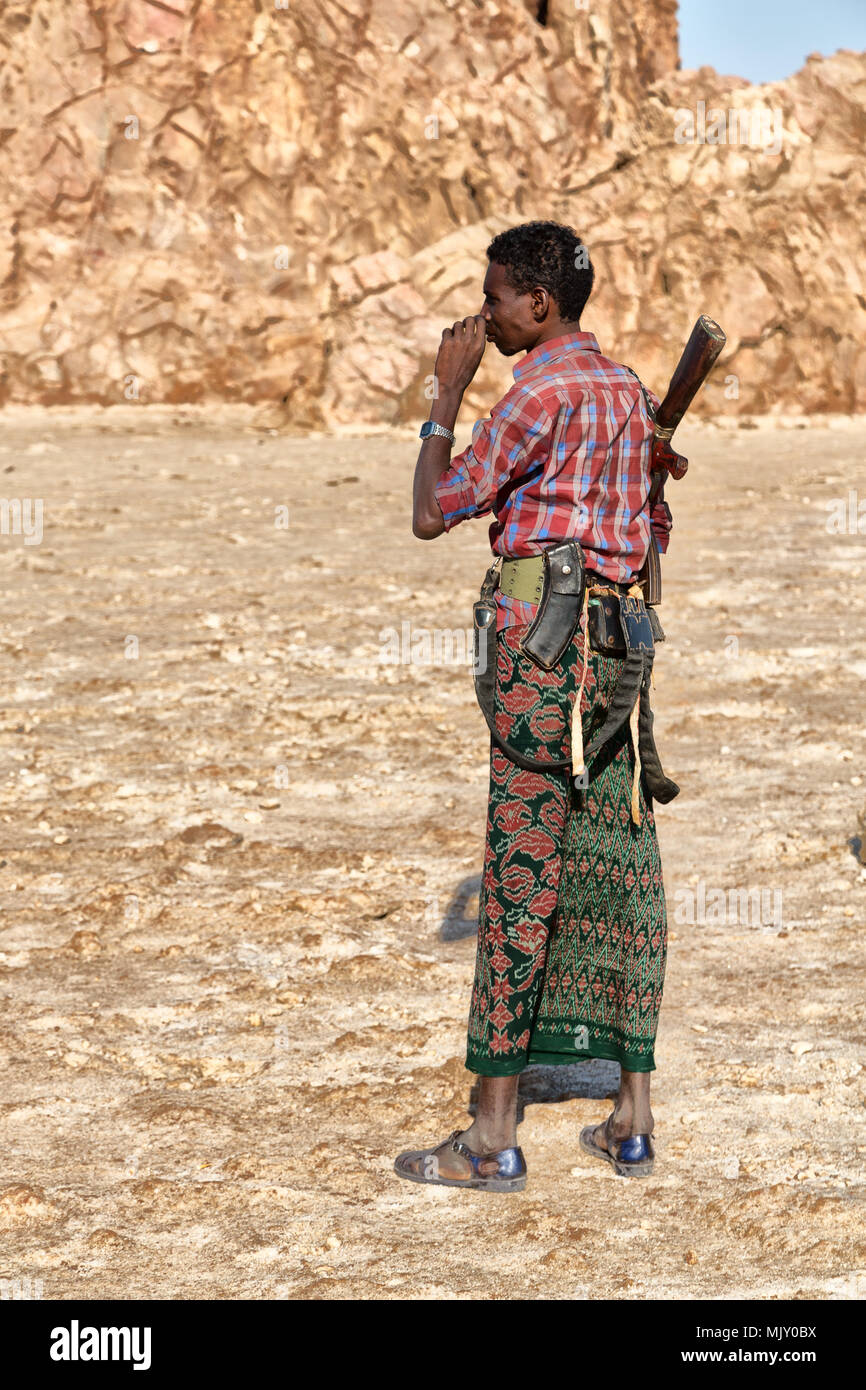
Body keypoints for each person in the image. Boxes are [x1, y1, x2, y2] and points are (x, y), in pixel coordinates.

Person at [395, 221, 674, 1191]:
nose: (484, 313)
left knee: (519, 877)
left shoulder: (534, 397)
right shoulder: (629, 393)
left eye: (495, 296)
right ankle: (630, 1117)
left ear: (537, 305)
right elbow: (651, 536)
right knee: (620, 861)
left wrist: (444, 396)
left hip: (539, 662)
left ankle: (490, 1138)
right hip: (616, 662)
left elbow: (435, 513)